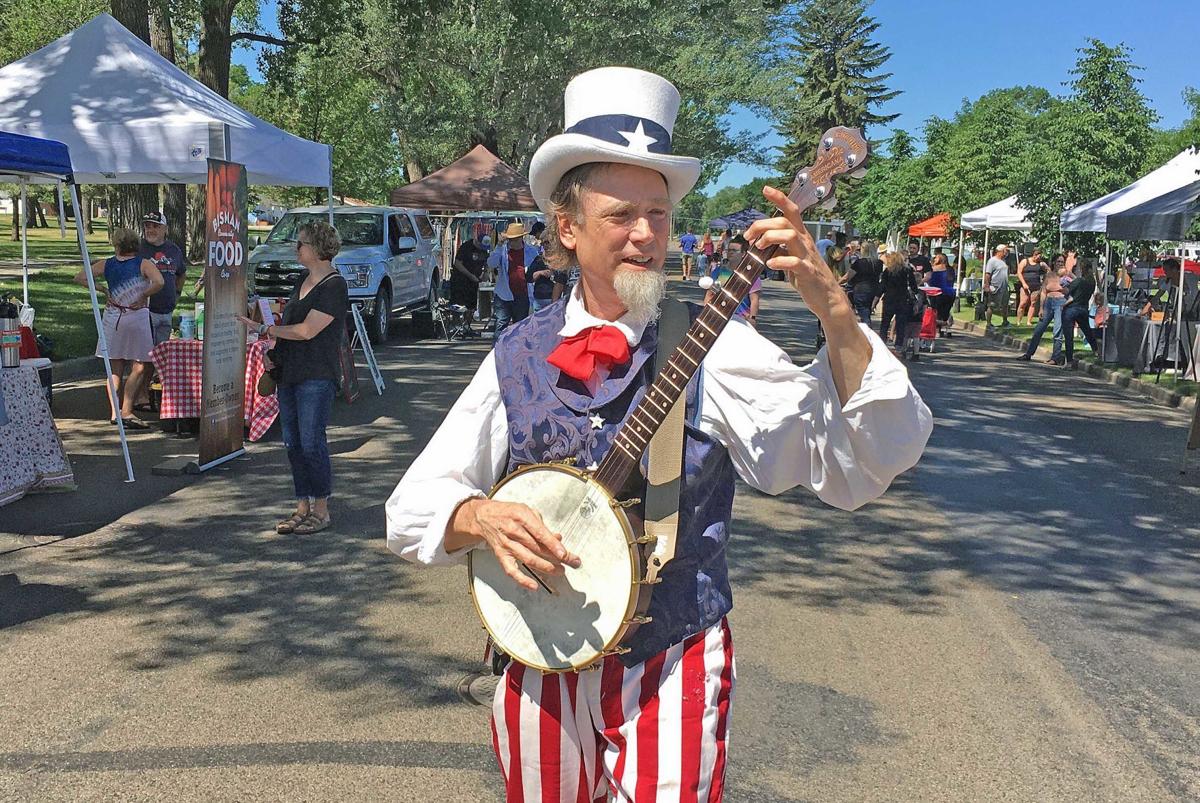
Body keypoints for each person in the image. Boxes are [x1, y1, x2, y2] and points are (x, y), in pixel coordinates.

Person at [384, 66, 932, 803]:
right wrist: (477, 516)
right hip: (536, 656)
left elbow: (862, 459)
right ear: (568, 227)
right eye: (620, 215)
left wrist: (834, 308)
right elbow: (412, 505)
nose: (646, 235)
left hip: (672, 662)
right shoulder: (516, 352)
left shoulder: (715, 346)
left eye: (659, 212)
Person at [237, 221, 348, 535]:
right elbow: (291, 321)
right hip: (289, 370)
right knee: (293, 444)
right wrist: (274, 348)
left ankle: (322, 509)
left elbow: (307, 330)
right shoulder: (302, 278)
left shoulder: (334, 286)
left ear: (315, 248)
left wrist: (265, 330)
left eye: (300, 244)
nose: (296, 249)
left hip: (316, 374)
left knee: (312, 443)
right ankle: (302, 505)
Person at [75, 227, 163, 429]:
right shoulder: (143, 264)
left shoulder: (107, 264)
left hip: (113, 316)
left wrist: (102, 288)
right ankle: (127, 410)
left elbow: (80, 277)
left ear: (116, 245)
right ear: (136, 244)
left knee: (115, 368)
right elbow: (159, 281)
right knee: (139, 365)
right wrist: (143, 295)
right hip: (136, 316)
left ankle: (115, 412)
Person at [139, 211, 187, 346]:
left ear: (165, 229)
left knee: (162, 353)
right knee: (145, 355)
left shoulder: (174, 250)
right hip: (145, 312)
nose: (151, 230)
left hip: (167, 311)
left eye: (156, 226)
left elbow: (181, 273)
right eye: (148, 226)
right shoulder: (139, 249)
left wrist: (177, 294)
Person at [487, 222, 539, 331]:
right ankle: (498, 348)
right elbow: (491, 263)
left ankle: (518, 348)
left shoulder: (532, 252)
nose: (511, 242)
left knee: (520, 328)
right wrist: (499, 246)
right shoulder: (503, 250)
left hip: (523, 295)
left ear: (521, 238)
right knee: (501, 326)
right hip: (504, 294)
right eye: (510, 239)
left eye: (514, 239)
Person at [704, 233, 762, 327]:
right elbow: (711, 294)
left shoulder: (751, 276)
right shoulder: (720, 272)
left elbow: (754, 300)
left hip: (741, 320)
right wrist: (706, 313)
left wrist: (752, 318)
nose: (730, 252)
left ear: (743, 254)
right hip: (719, 317)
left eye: (734, 250)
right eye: (729, 250)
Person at [1017, 257, 1067, 363]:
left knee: (1057, 331)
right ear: (1054, 262)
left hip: (1060, 303)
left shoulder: (1067, 274)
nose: (1060, 263)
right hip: (1048, 302)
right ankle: (1028, 354)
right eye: (1058, 261)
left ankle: (1055, 357)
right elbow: (1044, 291)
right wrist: (1041, 308)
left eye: (1062, 262)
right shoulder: (1049, 275)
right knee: (1038, 330)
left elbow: (1075, 283)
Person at [878, 250, 918, 352]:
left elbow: (882, 287)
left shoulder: (888, 271)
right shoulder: (907, 271)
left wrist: (875, 299)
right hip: (903, 299)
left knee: (885, 322)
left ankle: (882, 341)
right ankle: (899, 345)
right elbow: (914, 287)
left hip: (889, 299)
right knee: (901, 324)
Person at [1062, 258, 1099, 365]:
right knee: (1087, 331)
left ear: (1081, 268)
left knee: (1069, 336)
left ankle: (1069, 361)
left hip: (1071, 309)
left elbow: (1067, 292)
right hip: (1083, 308)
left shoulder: (1078, 281)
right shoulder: (1091, 282)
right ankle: (1096, 350)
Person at [840, 240, 882, 324]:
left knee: (863, 313)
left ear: (864, 249)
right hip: (874, 289)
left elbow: (847, 277)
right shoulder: (879, 263)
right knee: (867, 310)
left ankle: (866, 331)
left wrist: (836, 283)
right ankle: (865, 329)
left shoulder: (860, 263)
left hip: (861, 290)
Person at [450, 228, 489, 315]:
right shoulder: (466, 247)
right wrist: (470, 275)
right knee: (458, 305)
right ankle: (456, 324)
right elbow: (457, 263)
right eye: (481, 246)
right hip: (460, 280)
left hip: (473, 282)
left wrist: (485, 272)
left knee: (471, 306)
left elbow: (487, 262)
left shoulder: (484, 250)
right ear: (477, 241)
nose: (482, 249)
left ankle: (467, 323)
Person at [926, 253, 957, 330]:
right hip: (950, 292)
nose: (934, 259)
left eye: (936, 258)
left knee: (936, 310)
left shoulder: (935, 268)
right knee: (945, 311)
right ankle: (945, 325)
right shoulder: (950, 269)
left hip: (939, 292)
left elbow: (931, 280)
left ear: (940, 259)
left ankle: (942, 325)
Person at [1016, 247, 1046, 326]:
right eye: (1038, 256)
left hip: (1036, 286)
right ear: (1034, 255)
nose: (1039, 258)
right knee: (1023, 303)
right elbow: (1019, 272)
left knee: (1033, 303)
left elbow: (1048, 270)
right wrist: (1023, 283)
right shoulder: (1025, 261)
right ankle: (1018, 321)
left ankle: (1029, 321)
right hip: (1025, 286)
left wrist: (1044, 281)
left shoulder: (1041, 263)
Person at [984, 244, 1011, 326]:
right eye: (1006, 251)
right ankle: (988, 323)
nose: (1007, 253)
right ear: (1001, 251)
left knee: (1005, 305)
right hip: (995, 286)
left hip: (1004, 287)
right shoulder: (992, 261)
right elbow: (987, 274)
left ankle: (1005, 321)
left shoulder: (1004, 261)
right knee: (992, 305)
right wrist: (987, 286)